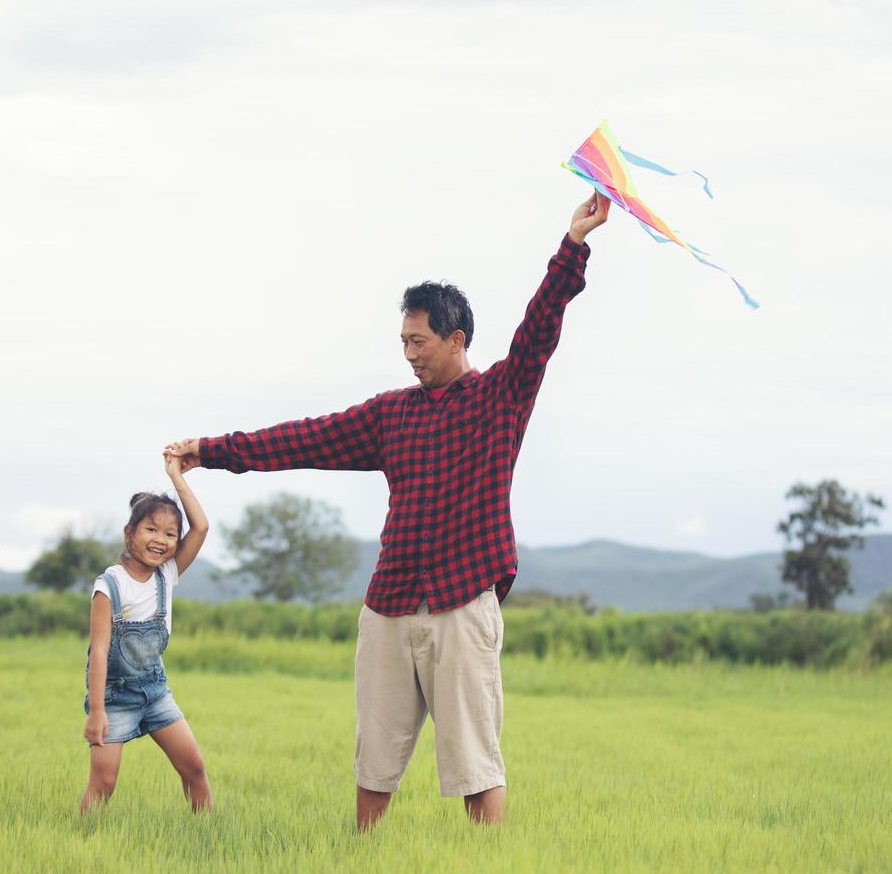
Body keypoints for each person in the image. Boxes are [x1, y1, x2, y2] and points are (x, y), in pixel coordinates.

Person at [167, 193, 610, 829]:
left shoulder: (500, 396)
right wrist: (212, 452)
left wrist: (573, 244)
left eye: (420, 341)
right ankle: (361, 865)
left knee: (476, 767)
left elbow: (538, 331)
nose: (409, 353)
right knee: (374, 764)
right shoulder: (390, 414)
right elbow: (304, 439)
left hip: (462, 605)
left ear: (457, 338)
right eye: (402, 341)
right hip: (390, 605)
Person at [79, 453, 213, 814]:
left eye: (170, 534)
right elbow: (100, 651)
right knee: (104, 783)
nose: (161, 540)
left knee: (194, 769)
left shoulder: (166, 574)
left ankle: (208, 837)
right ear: (130, 533)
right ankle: (79, 838)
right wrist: (96, 713)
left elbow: (200, 527)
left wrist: (176, 476)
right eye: (151, 529)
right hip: (115, 696)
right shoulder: (109, 585)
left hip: (154, 690)